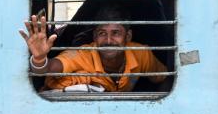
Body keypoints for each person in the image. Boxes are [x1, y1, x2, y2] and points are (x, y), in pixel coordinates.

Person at [21, 6, 168, 92]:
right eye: (102, 33)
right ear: (95, 37)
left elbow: (165, 79)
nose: (108, 41)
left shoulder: (141, 54)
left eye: (116, 33)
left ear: (128, 36)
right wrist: (39, 59)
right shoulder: (81, 55)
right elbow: (50, 67)